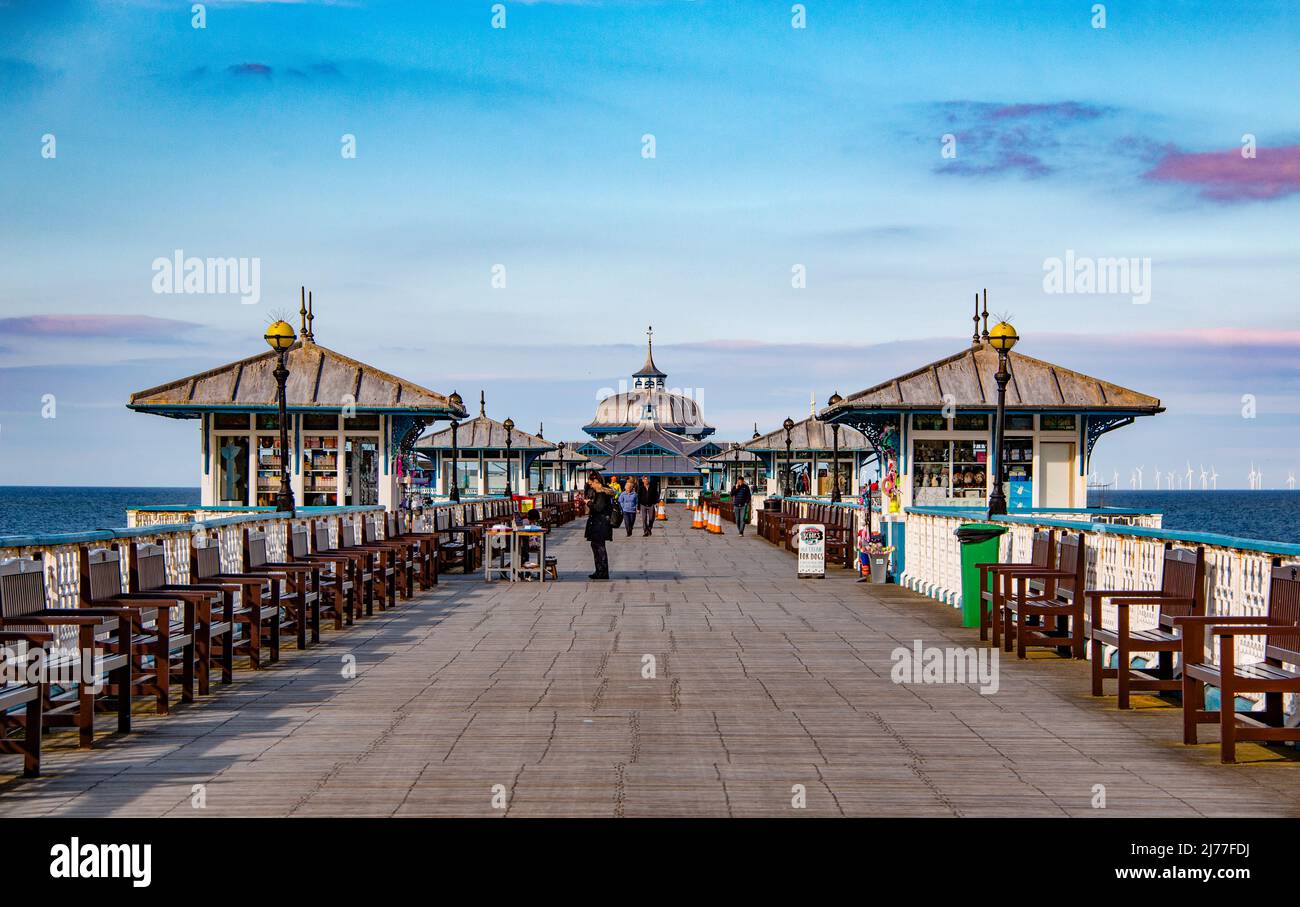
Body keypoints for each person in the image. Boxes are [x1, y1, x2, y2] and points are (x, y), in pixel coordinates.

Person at [584, 474, 613, 579]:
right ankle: (599, 570)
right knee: (595, 545)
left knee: (599, 547)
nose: (590, 485)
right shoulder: (600, 492)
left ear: (596, 481)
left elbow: (598, 508)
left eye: (591, 483)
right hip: (599, 523)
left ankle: (603, 571)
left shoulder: (601, 494)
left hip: (600, 524)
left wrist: (589, 503)